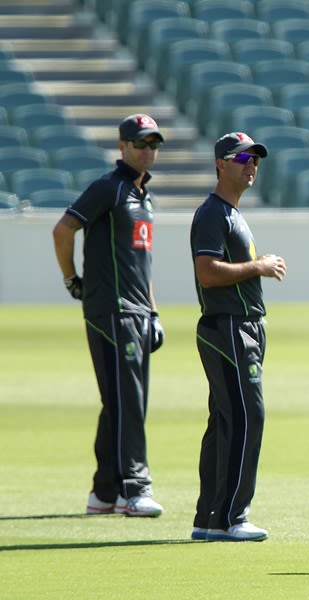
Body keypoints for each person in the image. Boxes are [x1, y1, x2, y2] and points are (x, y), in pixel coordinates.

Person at [51, 114, 166, 517]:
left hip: (136, 311)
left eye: (153, 144)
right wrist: (72, 281)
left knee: (120, 400)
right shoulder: (109, 188)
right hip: (112, 309)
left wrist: (153, 312)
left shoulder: (142, 195)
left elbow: (142, 262)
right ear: (122, 146)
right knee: (128, 400)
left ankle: (104, 491)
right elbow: (63, 230)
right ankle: (134, 488)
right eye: (140, 144)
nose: (147, 151)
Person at [189, 132, 286, 542]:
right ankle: (231, 517)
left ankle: (209, 517)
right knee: (248, 416)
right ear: (220, 164)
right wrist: (258, 267)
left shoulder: (231, 213)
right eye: (242, 157)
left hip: (240, 327)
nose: (251, 165)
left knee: (225, 422)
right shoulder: (213, 213)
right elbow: (208, 273)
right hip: (229, 326)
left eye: (255, 159)